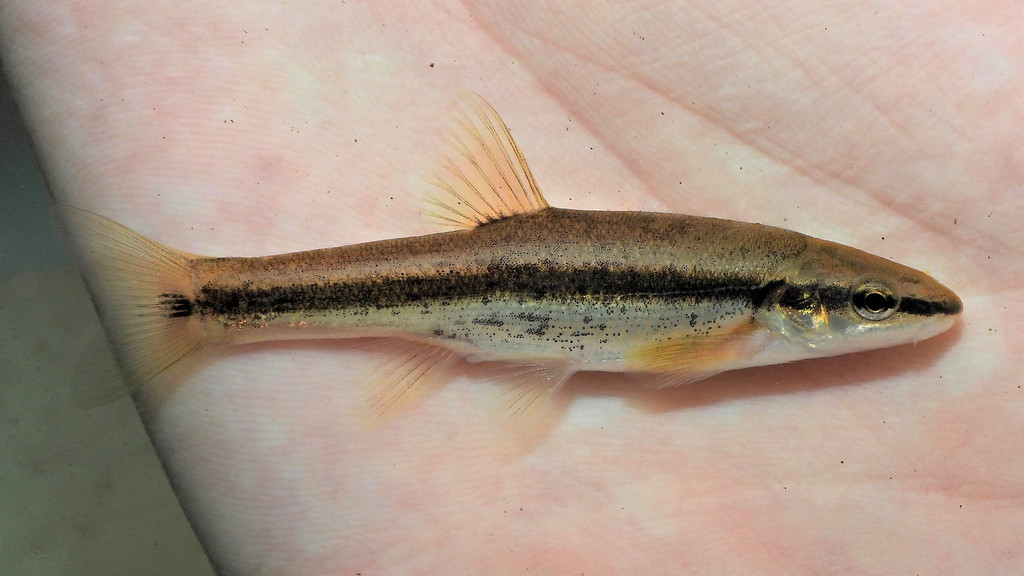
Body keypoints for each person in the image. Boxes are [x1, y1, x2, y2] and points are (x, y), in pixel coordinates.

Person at [2, 1, 1020, 573]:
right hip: (521, 289)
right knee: (236, 298)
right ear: (800, 303)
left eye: (878, 303)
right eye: (873, 306)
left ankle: (212, 303)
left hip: (521, 295)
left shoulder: (765, 294)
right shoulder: (749, 309)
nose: (900, 317)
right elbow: (665, 357)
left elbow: (664, 358)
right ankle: (211, 301)